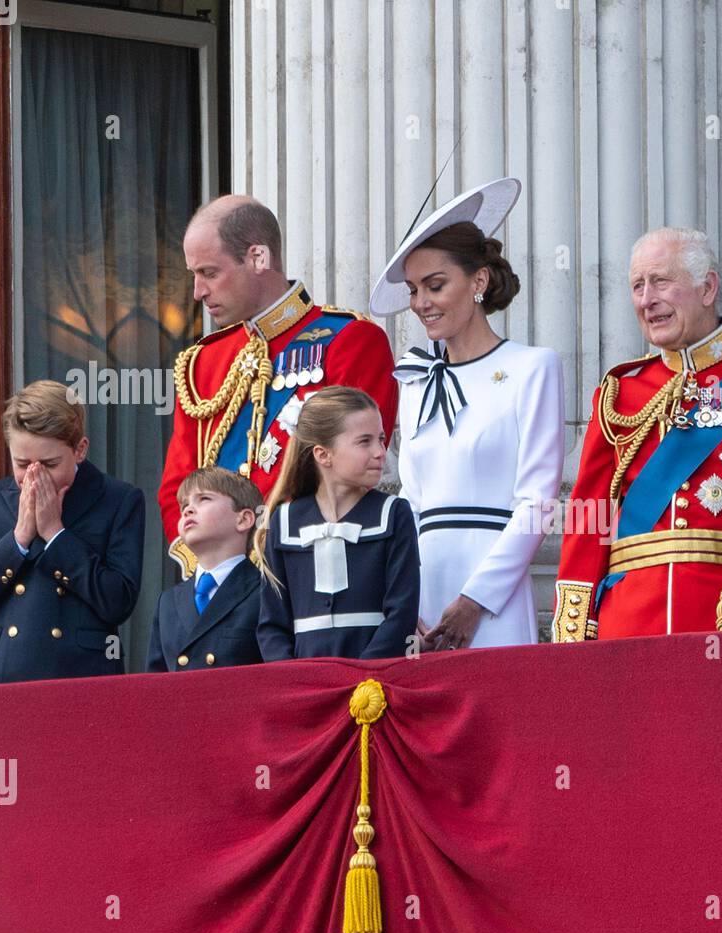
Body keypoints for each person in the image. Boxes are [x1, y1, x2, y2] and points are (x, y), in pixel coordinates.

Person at [553, 227, 722, 641]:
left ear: (708, 288)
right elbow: (587, 521)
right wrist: (573, 638)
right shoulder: (618, 394)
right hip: (627, 627)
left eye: (661, 281)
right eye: (637, 286)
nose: (647, 300)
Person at [369, 177, 563, 649]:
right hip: (422, 599)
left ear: (478, 282)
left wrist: (475, 600)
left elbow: (537, 504)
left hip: (493, 597)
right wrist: (404, 598)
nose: (420, 303)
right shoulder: (414, 381)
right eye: (414, 289)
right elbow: (411, 502)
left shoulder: (532, 367)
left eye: (435, 285)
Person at [159, 195, 397, 576]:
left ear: (258, 258)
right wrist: (211, 563)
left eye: (209, 273)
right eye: (194, 275)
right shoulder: (203, 362)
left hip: (309, 574)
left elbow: (354, 474)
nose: (198, 292)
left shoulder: (348, 340)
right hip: (218, 581)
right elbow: (178, 484)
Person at [0, 380, 145, 685]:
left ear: (80, 449)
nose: (34, 475)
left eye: (50, 464)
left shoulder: (118, 499)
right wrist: (18, 539)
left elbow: (117, 601)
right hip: (4, 677)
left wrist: (57, 535)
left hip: (83, 677)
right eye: (22, 463)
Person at [255, 387, 420, 661]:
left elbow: (402, 613)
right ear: (323, 454)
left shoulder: (393, 513)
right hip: (303, 683)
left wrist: (362, 675)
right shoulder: (283, 522)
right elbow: (272, 624)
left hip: (375, 682)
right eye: (364, 442)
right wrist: (290, 677)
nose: (381, 452)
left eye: (380, 439)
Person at [147, 468, 264, 672]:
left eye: (204, 499)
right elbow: (154, 683)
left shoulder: (266, 592)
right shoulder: (167, 602)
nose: (187, 510)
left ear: (244, 519)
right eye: (185, 505)